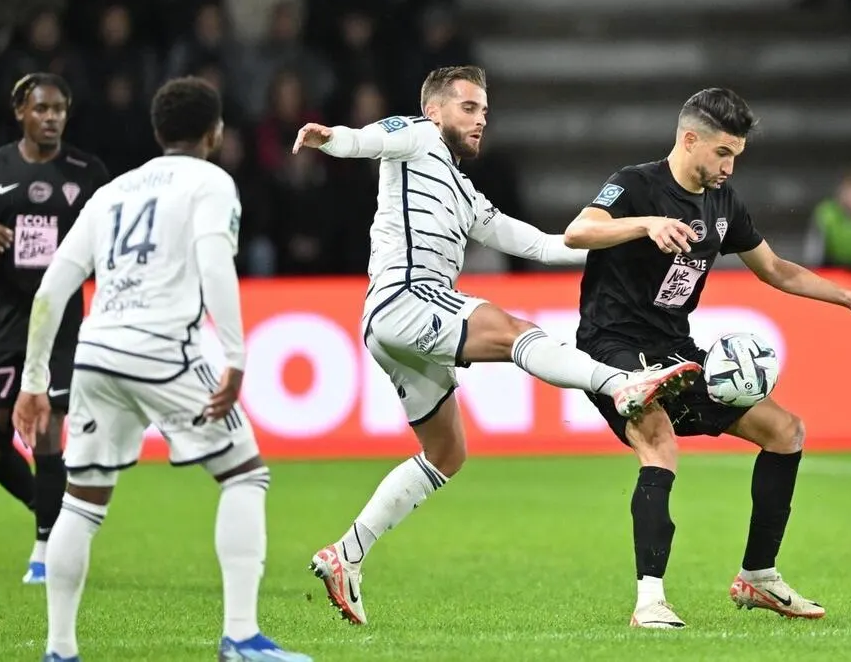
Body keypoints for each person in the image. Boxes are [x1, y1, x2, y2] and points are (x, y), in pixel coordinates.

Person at [290, 65, 701, 625]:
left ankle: (347, 555)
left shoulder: (463, 193)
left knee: (446, 454)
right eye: (469, 107)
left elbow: (539, 244)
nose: (481, 119)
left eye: (485, 110)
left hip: (391, 328)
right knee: (514, 332)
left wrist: (633, 234)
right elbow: (367, 139)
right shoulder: (417, 135)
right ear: (436, 110)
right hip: (408, 297)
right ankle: (621, 383)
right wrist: (330, 139)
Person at [563, 88, 851, 629]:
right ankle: (650, 601)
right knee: (658, 441)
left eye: (736, 155)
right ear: (689, 140)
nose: (730, 166)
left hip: (675, 349)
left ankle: (758, 576)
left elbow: (776, 270)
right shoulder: (636, 184)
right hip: (612, 348)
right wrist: (644, 224)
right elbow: (578, 231)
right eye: (723, 153)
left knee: (786, 431)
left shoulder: (724, 204)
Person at [11, 77, 311, 662]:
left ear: (156, 132)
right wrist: (235, 355)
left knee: (81, 501)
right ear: (215, 133)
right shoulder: (211, 181)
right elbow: (213, 261)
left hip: (95, 351)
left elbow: (52, 287)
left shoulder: (113, 191)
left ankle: (60, 649)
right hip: (161, 348)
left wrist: (34, 381)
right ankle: (241, 637)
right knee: (245, 475)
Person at [0, 73, 109, 585]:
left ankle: (44, 547)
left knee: (48, 433)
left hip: (60, 320)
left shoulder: (88, 171)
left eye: (59, 108)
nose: (51, 116)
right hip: (0, 317)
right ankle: (51, 509)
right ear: (20, 111)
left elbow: (110, 237)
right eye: (41, 108)